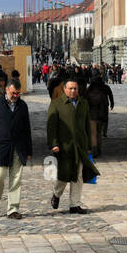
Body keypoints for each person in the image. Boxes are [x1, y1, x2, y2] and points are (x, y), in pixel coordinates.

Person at [0, 80, 33, 219]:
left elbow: (26, 129)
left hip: (18, 147)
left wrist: (29, 150)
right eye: (13, 93)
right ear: (6, 90)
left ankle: (13, 209)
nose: (16, 95)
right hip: (0, 146)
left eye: (18, 93)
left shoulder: (22, 106)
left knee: (16, 178)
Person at [47, 77, 98, 214]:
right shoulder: (56, 104)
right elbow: (51, 126)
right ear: (64, 89)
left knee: (78, 175)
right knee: (64, 176)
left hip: (80, 145)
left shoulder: (83, 104)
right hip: (64, 146)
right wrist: (53, 143)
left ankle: (74, 204)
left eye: (75, 88)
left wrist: (88, 145)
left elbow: (87, 125)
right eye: (70, 88)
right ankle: (56, 194)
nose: (73, 91)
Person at [86, 70, 114, 156]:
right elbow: (110, 97)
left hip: (92, 115)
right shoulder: (104, 90)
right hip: (102, 114)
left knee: (93, 133)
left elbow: (86, 104)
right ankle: (99, 150)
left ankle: (94, 150)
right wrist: (112, 104)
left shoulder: (89, 91)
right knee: (99, 133)